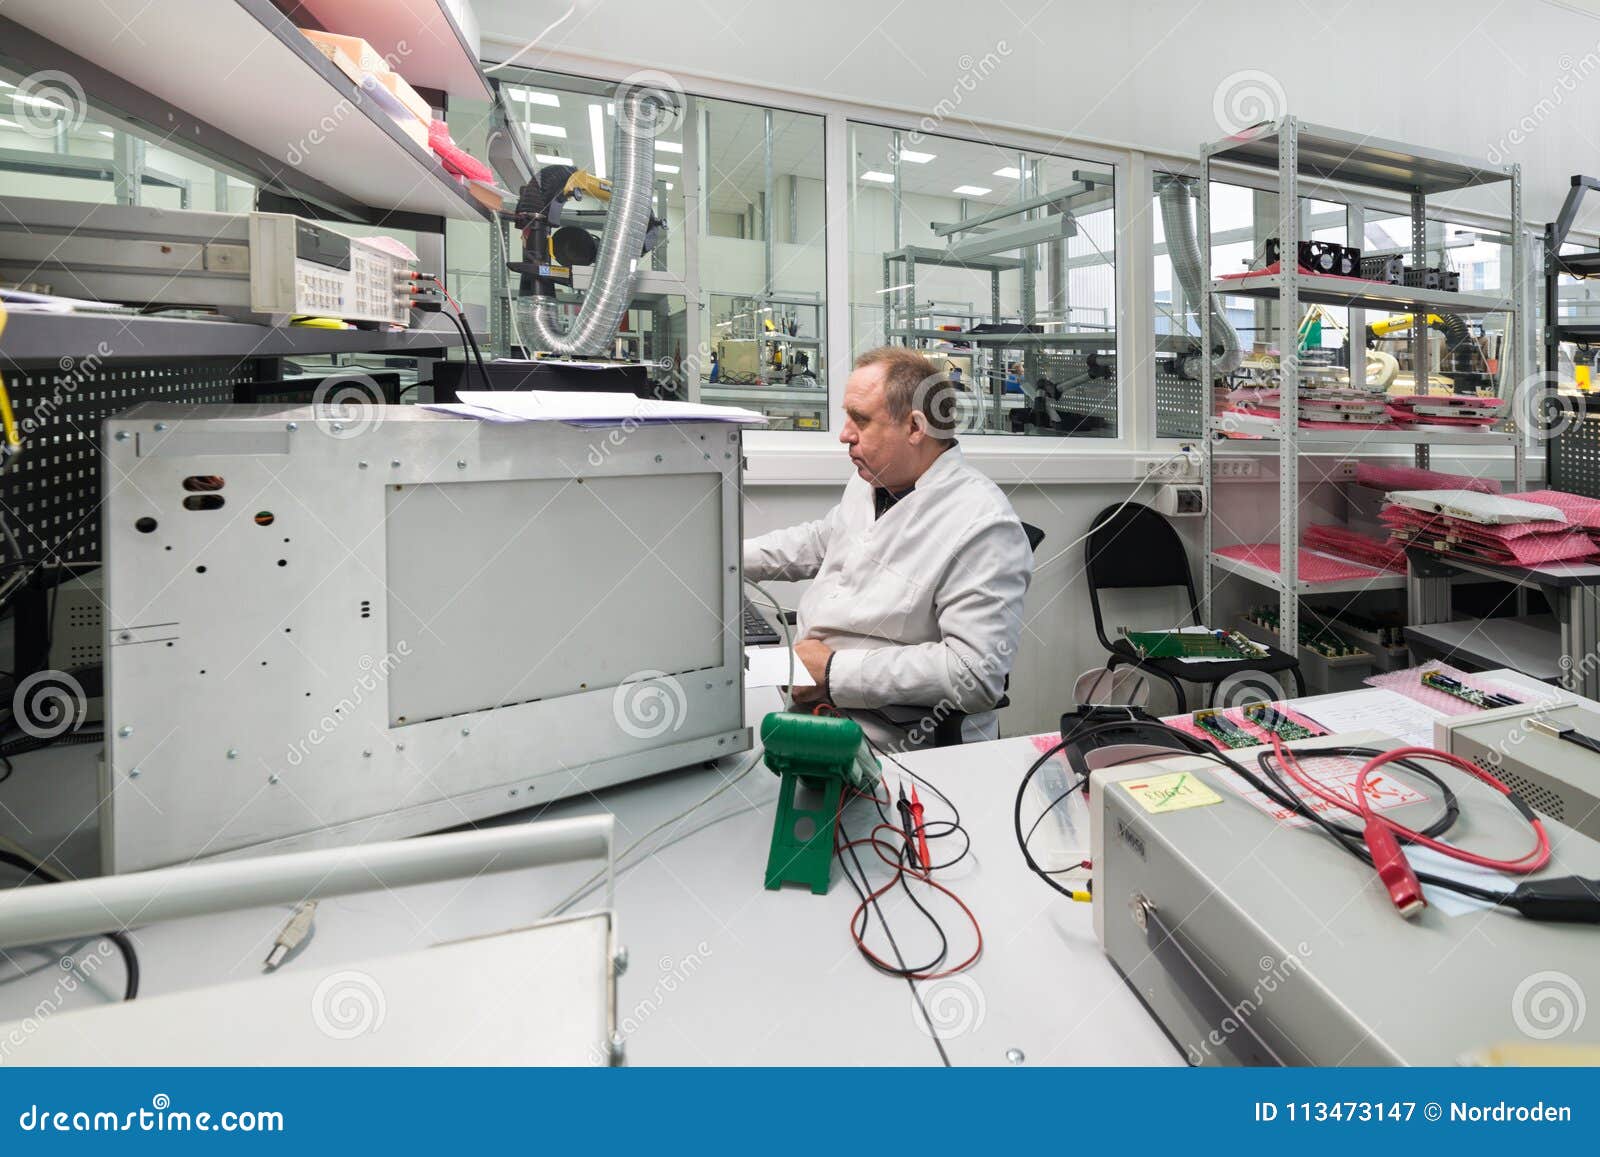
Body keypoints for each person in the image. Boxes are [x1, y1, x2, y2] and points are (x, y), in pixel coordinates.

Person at [743, 346, 1034, 751]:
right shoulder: (873, 481)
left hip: (889, 736)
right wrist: (724, 559)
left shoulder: (983, 525)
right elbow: (819, 541)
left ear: (915, 428)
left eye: (860, 419)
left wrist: (832, 671)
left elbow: (976, 674)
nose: (844, 434)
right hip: (805, 688)